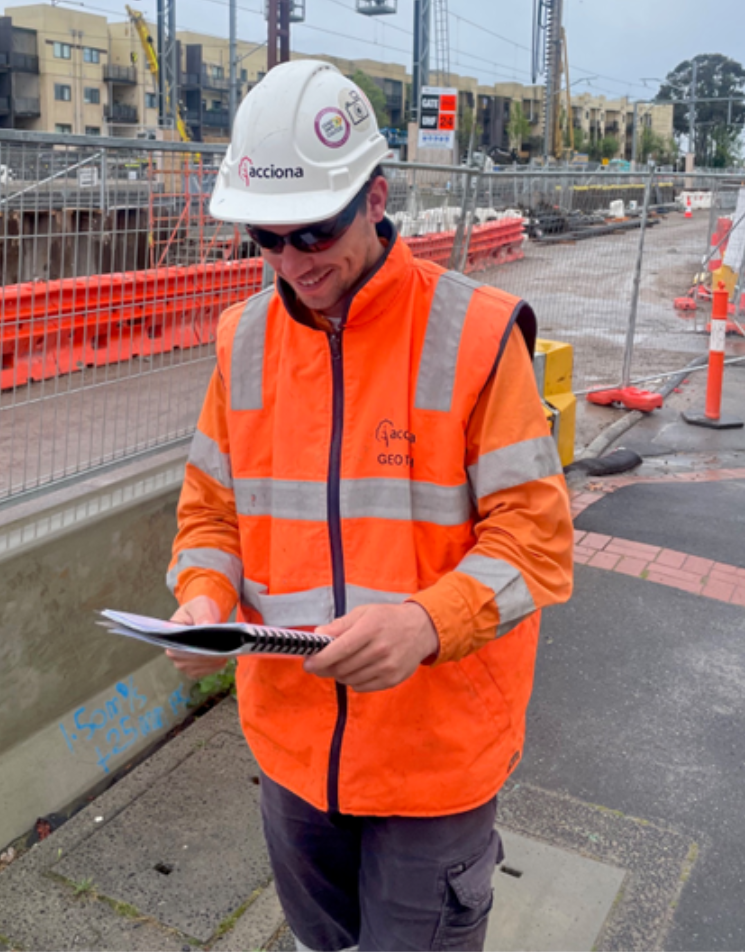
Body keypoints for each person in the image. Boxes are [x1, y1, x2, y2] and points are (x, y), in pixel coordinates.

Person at [166, 59, 573, 952]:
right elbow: (212, 514)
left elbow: (537, 541)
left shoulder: (475, 334)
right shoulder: (241, 342)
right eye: (263, 241)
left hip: (435, 754)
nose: (290, 263)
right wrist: (202, 597)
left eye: (312, 233)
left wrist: (426, 624)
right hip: (294, 752)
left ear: (377, 197)